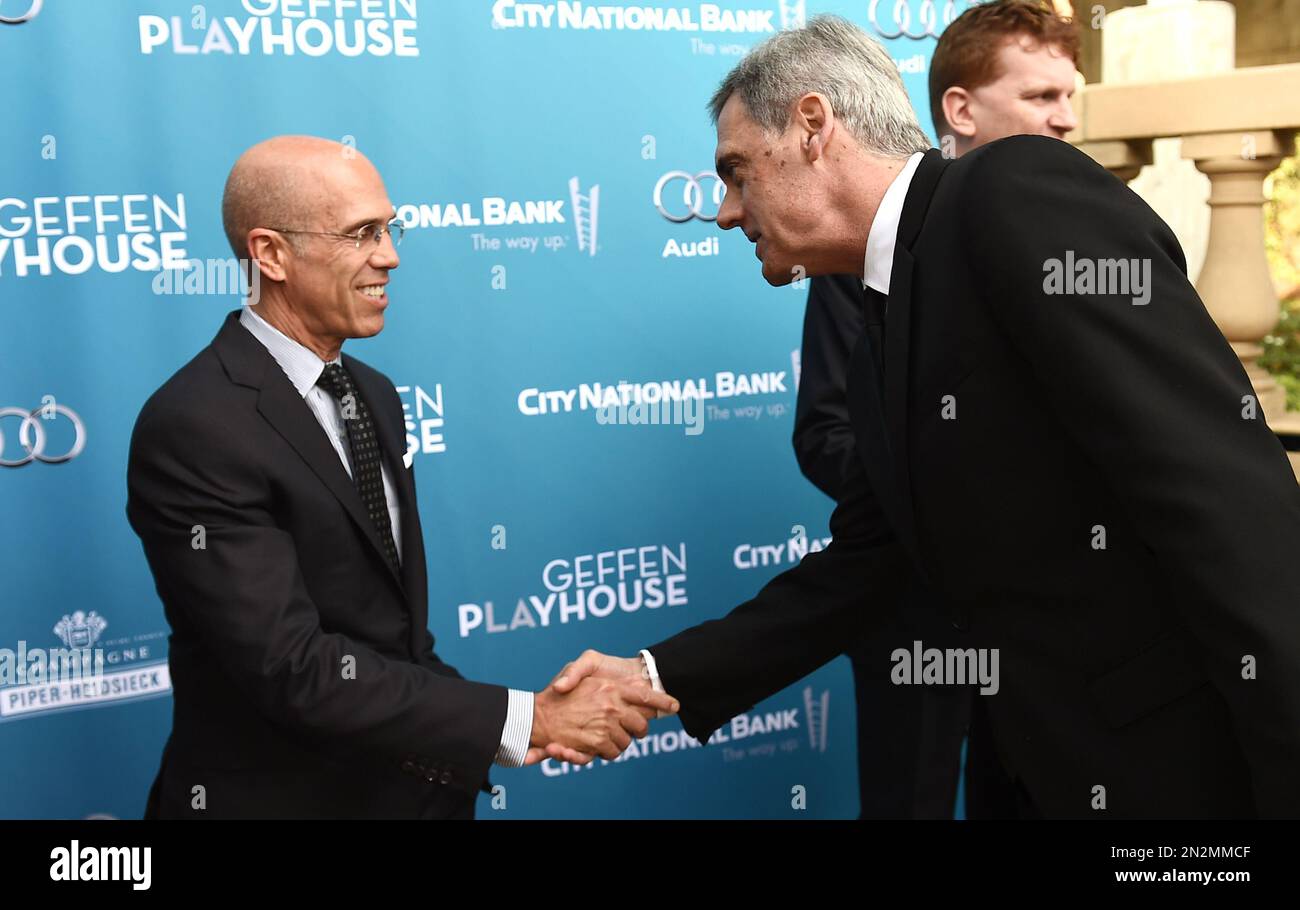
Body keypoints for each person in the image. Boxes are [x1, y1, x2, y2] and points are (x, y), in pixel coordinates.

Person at [543, 16, 1300, 819]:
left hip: (1186, 779)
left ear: (811, 128)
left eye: (736, 172)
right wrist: (656, 675)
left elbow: (1218, 492)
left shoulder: (1012, 192)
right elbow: (873, 559)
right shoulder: (879, 329)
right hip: (1051, 771)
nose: (726, 212)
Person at [127, 136, 676, 819]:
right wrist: (525, 720)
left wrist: (500, 727)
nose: (389, 255)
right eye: (361, 233)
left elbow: (392, 639)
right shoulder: (196, 424)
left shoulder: (373, 394)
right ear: (270, 254)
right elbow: (291, 668)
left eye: (390, 229)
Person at [795, 0, 1080, 819]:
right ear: (959, 110)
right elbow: (825, 434)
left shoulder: (1080, 243)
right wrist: (954, 488)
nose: (1065, 121)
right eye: (1039, 99)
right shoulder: (864, 252)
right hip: (912, 611)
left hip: (1046, 624)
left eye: (1070, 97)